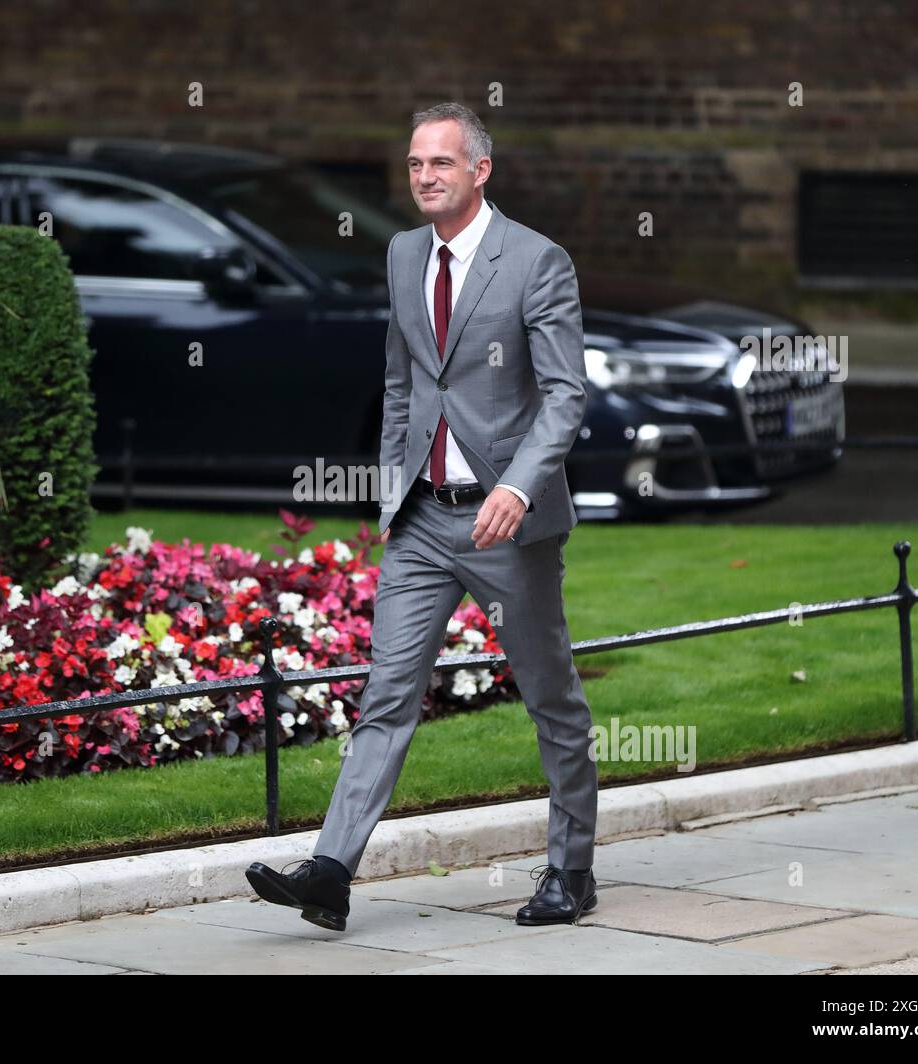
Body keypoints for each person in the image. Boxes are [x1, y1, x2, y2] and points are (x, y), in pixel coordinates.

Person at [246, 102, 598, 931]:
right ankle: (331, 871)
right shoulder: (405, 254)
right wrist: (390, 493)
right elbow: (404, 382)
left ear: (481, 170)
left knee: (551, 697)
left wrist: (516, 487)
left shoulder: (537, 262)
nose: (424, 177)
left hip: (508, 527)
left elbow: (566, 395)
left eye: (440, 163)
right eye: (413, 165)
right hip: (422, 526)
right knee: (386, 695)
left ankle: (571, 872)